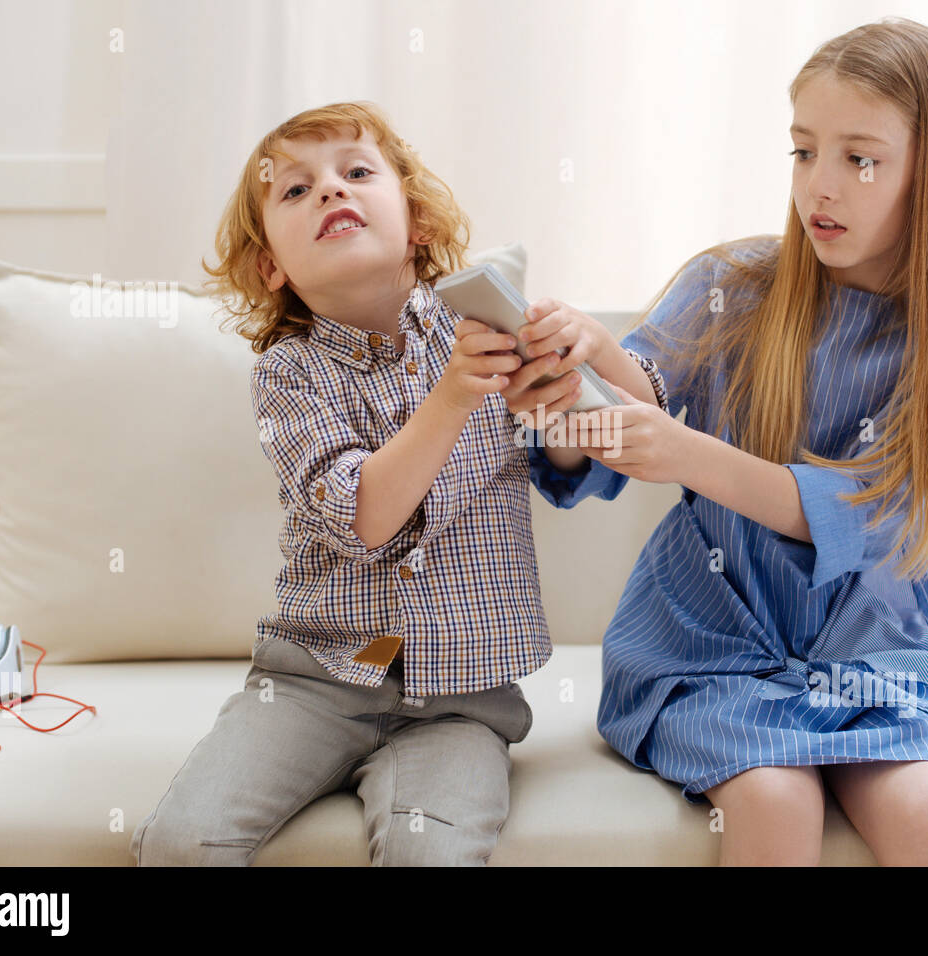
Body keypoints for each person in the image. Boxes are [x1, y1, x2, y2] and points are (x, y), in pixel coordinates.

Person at [504, 18, 928, 866]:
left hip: (876, 644)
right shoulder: (732, 284)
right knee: (771, 798)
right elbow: (646, 394)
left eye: (858, 159)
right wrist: (586, 363)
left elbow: (862, 515)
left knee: (925, 809)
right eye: (803, 152)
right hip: (707, 637)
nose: (819, 186)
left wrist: (681, 452)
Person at [130, 100, 660, 866]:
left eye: (355, 172)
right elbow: (364, 519)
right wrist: (451, 397)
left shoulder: (491, 330)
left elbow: (634, 444)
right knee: (181, 844)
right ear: (270, 267)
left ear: (416, 223)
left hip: (461, 705)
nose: (330, 193)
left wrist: (596, 358)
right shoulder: (288, 375)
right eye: (296, 190)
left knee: (432, 859)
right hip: (314, 683)